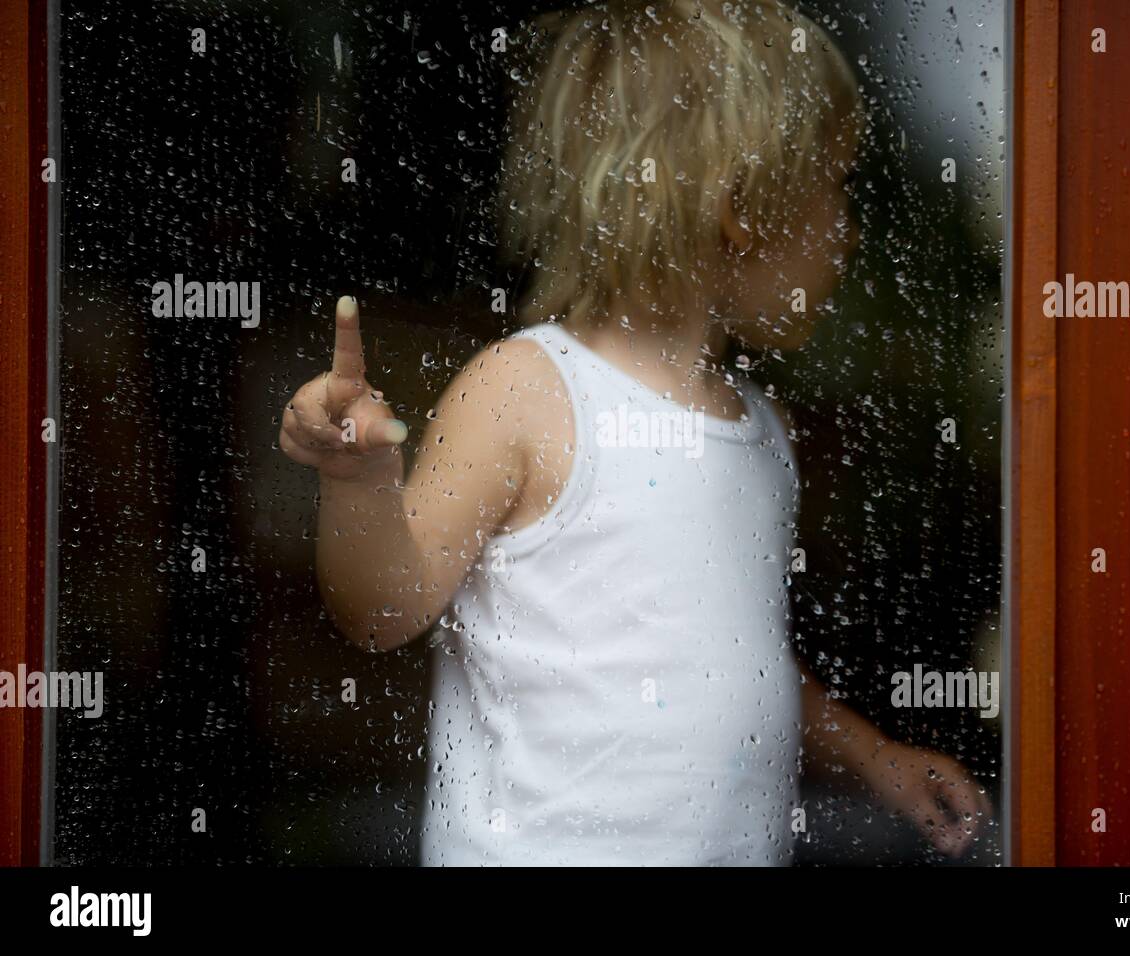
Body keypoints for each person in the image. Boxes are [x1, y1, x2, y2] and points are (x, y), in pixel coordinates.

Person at [278, 0, 989, 865]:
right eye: (833, 190)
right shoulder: (528, 392)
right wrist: (358, 481)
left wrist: (872, 757)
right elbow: (382, 609)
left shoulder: (762, 435)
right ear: (741, 206)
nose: (848, 233)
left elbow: (740, 666)